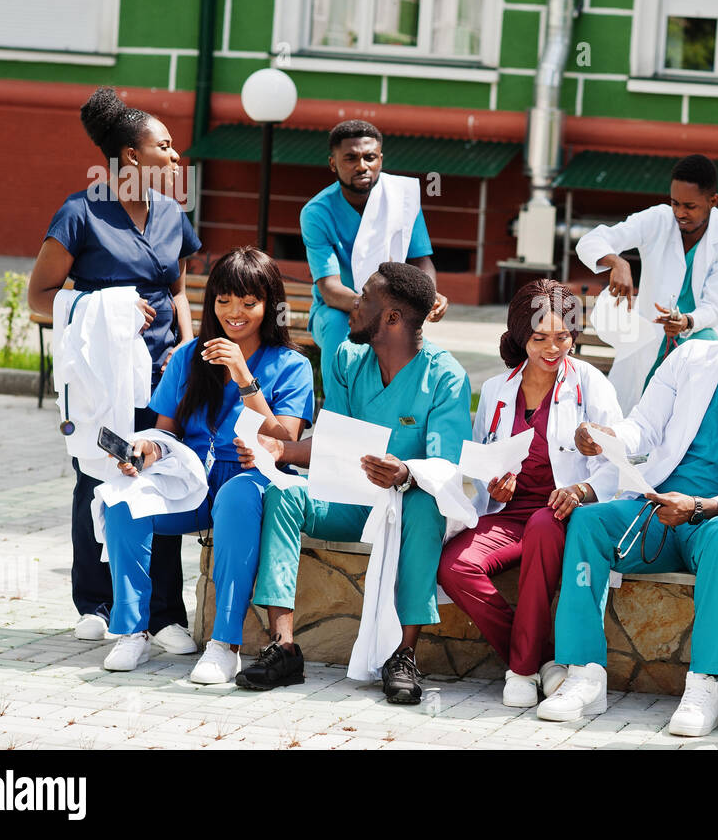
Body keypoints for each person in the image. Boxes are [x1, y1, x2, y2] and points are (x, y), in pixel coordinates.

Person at [537, 278, 718, 736]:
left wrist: (701, 505)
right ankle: (584, 675)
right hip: (654, 508)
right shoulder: (692, 358)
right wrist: (610, 438)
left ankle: (705, 684)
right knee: (587, 522)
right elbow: (645, 425)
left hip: (714, 519)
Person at [231, 262, 471, 702]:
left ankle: (403, 655)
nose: (352, 307)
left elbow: (446, 467)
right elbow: (331, 441)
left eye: (364, 300)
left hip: (405, 506)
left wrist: (405, 472)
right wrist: (282, 451)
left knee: (423, 503)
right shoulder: (346, 358)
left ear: (393, 318)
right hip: (347, 501)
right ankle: (283, 647)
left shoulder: (446, 377)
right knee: (283, 493)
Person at [27, 86, 201, 650]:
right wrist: (106, 308)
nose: (177, 157)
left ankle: (165, 612)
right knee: (98, 478)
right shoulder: (80, 212)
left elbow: (177, 286)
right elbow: (39, 296)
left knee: (164, 476)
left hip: (164, 369)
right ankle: (96, 603)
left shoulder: (173, 211)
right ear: (130, 155)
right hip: (102, 372)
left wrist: (189, 344)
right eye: (165, 146)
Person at [98, 248, 315, 681]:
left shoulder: (293, 365)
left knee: (237, 497)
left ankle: (224, 644)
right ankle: (132, 630)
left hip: (250, 483)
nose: (235, 312)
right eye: (224, 300)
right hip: (192, 480)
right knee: (120, 498)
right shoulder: (187, 357)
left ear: (271, 306)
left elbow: (284, 441)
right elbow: (166, 433)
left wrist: (242, 375)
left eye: (249, 302)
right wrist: (146, 452)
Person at [440, 280, 622, 707]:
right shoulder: (498, 390)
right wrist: (493, 483)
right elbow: (481, 459)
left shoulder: (590, 383)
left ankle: (520, 673)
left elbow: (618, 458)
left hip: (563, 515)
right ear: (522, 336)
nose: (552, 348)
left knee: (543, 524)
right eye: (540, 338)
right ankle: (542, 661)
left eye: (563, 337)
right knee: (455, 568)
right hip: (507, 514)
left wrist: (582, 489)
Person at [575, 153, 718, 413]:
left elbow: (714, 307)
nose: (679, 213)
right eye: (675, 203)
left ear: (713, 201)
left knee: (689, 411)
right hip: (649, 336)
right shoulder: (657, 219)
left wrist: (687, 322)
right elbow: (592, 241)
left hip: (698, 335)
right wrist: (618, 263)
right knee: (632, 413)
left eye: (689, 206)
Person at [302, 120, 448, 389]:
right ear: (333, 163)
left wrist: (428, 296)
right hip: (338, 310)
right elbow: (331, 290)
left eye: (369, 157)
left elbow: (420, 260)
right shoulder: (317, 212)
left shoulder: (402, 199)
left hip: (392, 309)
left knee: (411, 346)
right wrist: (378, 308)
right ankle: (336, 415)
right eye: (350, 158)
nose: (362, 166)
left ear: (380, 159)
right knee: (336, 325)